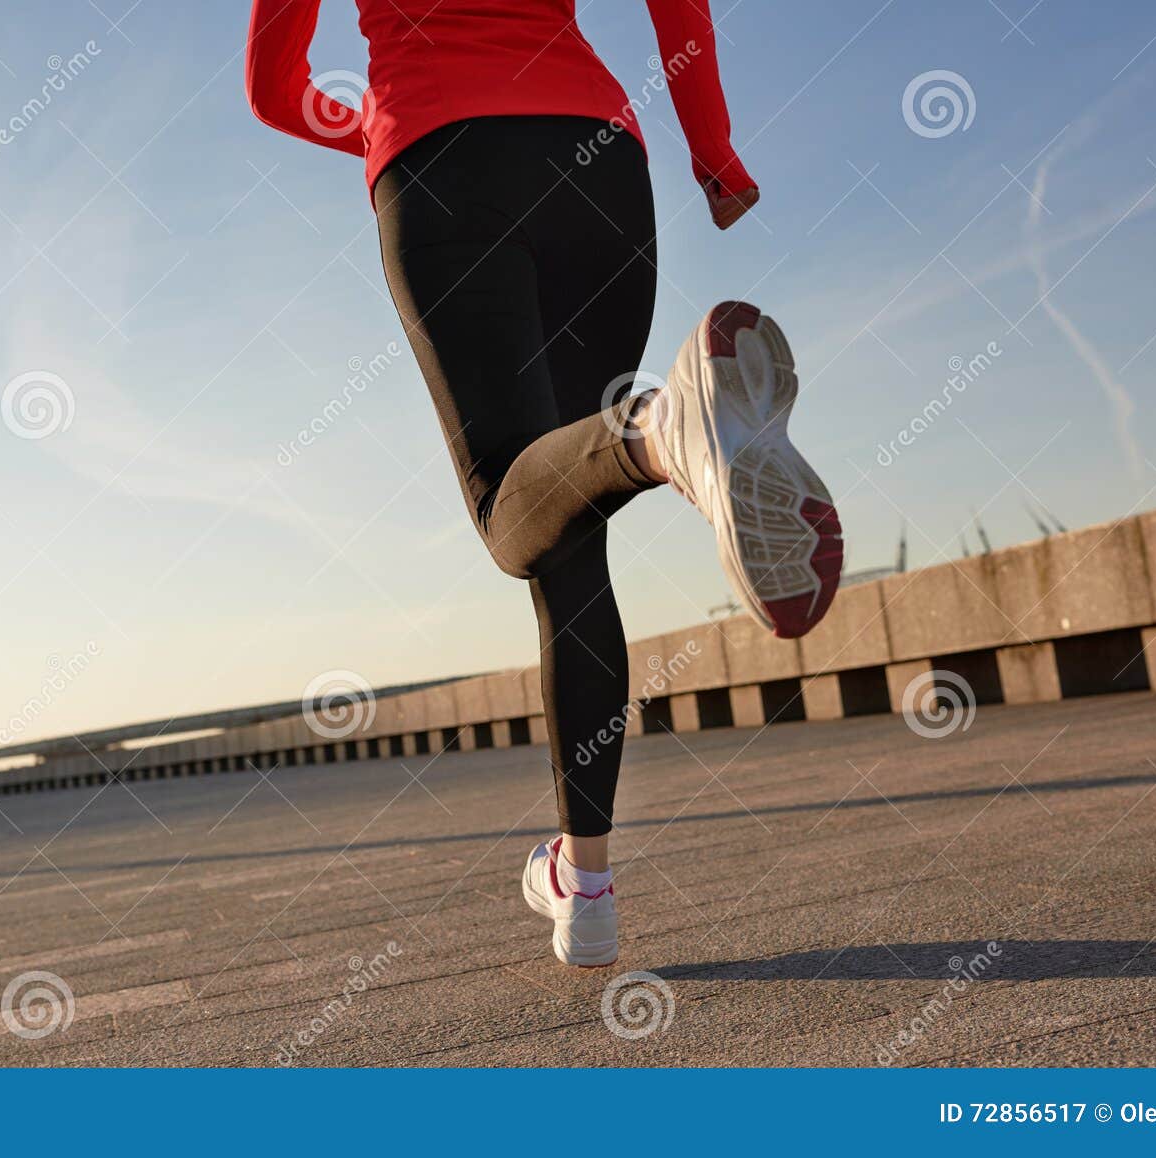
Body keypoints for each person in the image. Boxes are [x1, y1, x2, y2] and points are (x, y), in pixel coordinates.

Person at [246, 0, 842, 966]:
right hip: (598, 160)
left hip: (441, 166)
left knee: (509, 516)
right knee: (568, 525)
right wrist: (715, 154)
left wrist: (377, 127)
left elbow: (274, 92)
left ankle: (654, 431)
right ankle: (585, 882)